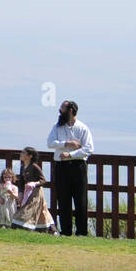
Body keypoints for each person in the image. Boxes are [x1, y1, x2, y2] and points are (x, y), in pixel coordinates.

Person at [48, 100, 93, 236]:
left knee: (80, 200)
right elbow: (50, 143)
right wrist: (67, 143)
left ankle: (82, 232)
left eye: (62, 108)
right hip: (61, 167)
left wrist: (70, 154)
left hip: (78, 166)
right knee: (63, 199)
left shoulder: (83, 128)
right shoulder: (57, 127)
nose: (59, 111)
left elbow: (88, 148)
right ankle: (66, 231)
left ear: (71, 110)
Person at [10, 147, 56, 232]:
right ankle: (48, 229)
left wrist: (34, 184)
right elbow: (21, 181)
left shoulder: (34, 167)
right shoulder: (22, 166)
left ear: (30, 156)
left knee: (28, 208)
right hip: (27, 192)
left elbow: (43, 180)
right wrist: (20, 192)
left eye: (23, 153)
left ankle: (23, 227)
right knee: (42, 212)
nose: (21, 154)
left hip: (36, 192)